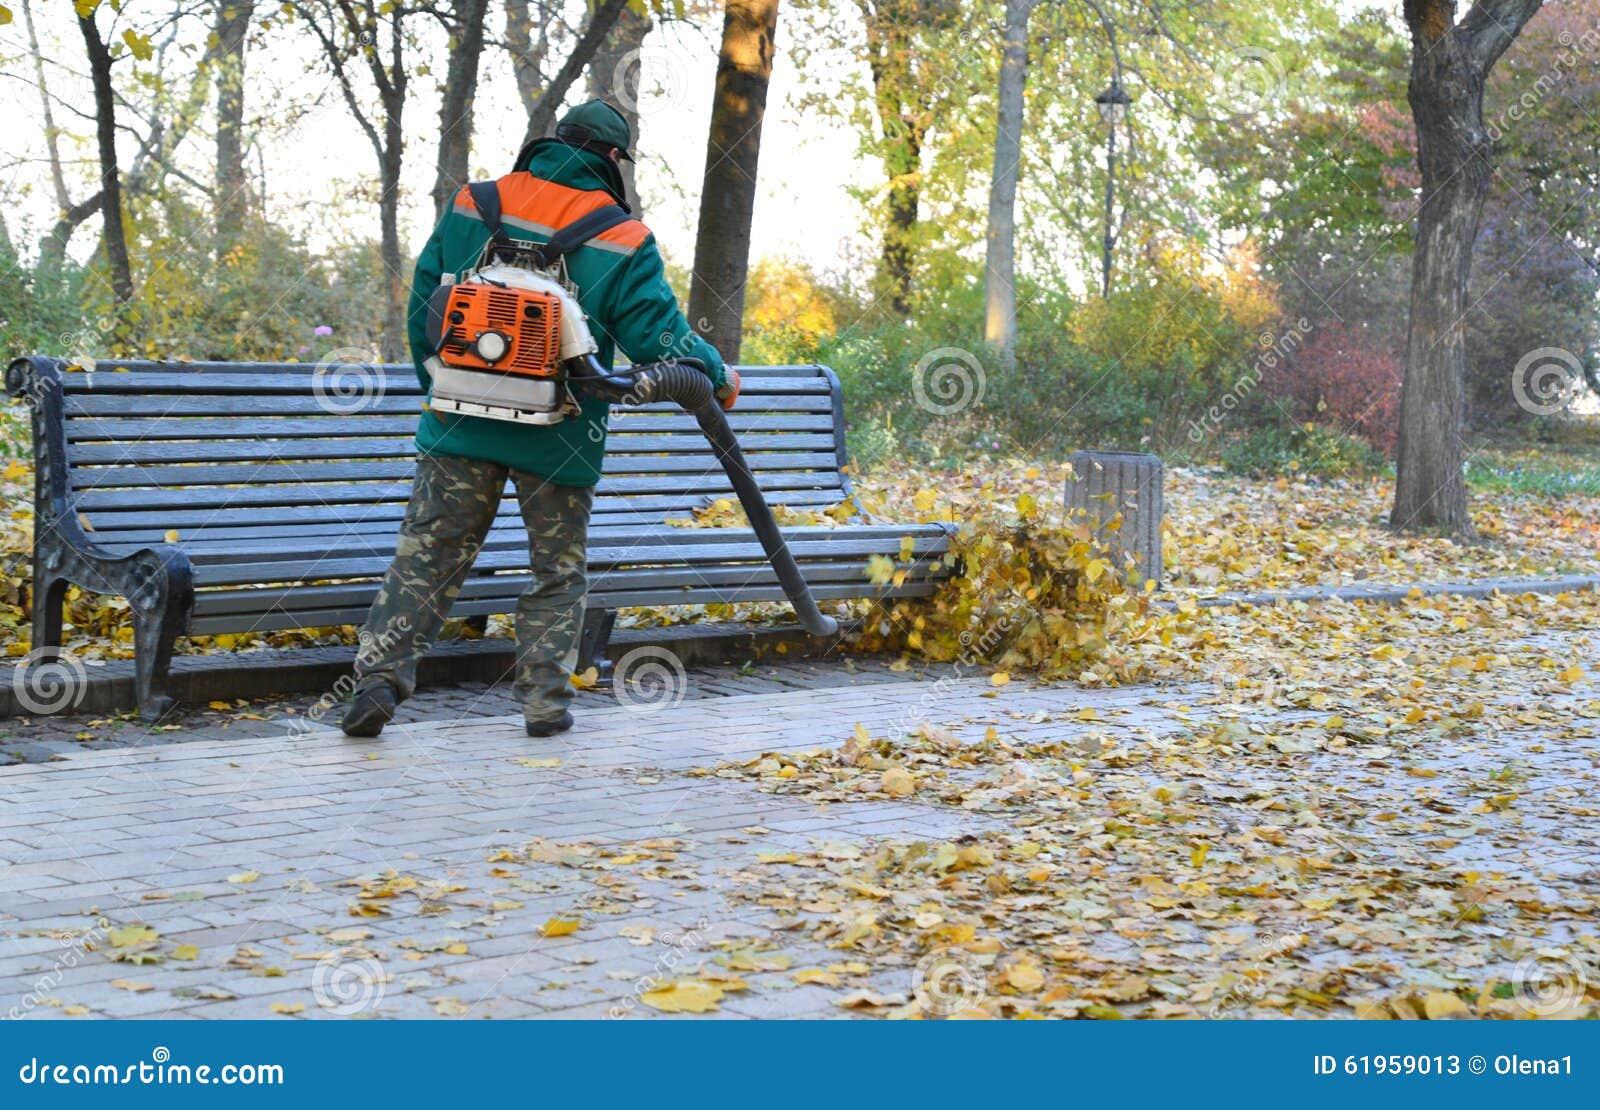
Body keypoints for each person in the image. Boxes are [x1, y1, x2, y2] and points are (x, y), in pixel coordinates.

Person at [341, 100, 734, 739]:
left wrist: (440, 388)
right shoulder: (623, 235)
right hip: (562, 435)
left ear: (553, 142)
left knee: (428, 557)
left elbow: (424, 306)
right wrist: (717, 375)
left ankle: (378, 682)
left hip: (459, 426)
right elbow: (659, 339)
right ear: (613, 159)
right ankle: (545, 705)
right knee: (556, 570)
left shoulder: (474, 202)